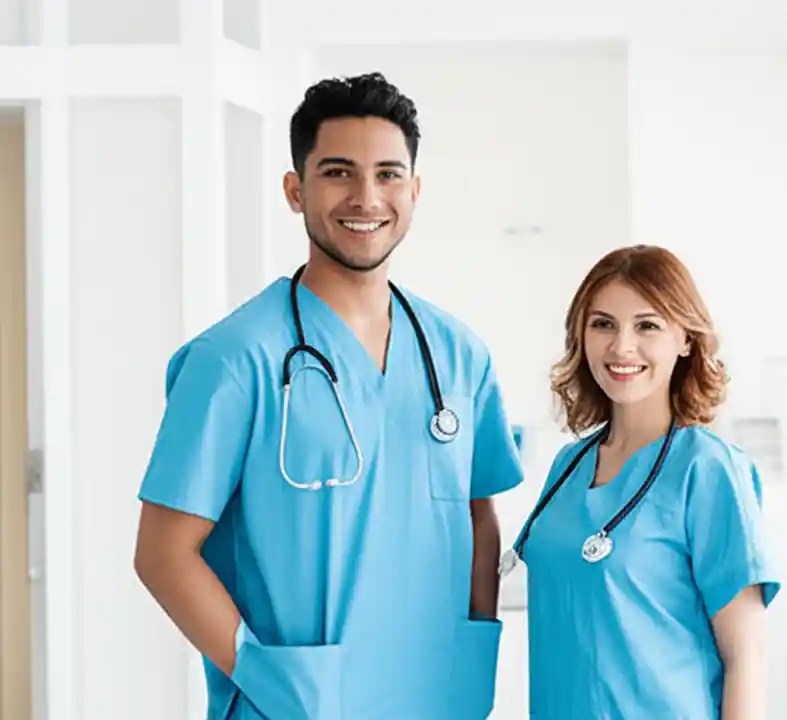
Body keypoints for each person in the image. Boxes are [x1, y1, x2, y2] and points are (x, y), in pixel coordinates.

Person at [132, 72, 522, 719]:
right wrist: (271, 680)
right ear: (296, 190)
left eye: (388, 174)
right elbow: (163, 553)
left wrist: (471, 654)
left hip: (436, 699)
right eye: (339, 172)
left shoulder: (459, 355)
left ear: (415, 192)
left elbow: (479, 518)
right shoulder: (232, 360)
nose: (366, 197)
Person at [502, 245, 781, 718]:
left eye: (647, 325)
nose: (621, 346)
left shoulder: (708, 470)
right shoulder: (569, 465)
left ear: (686, 340)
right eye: (603, 324)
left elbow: (745, 657)